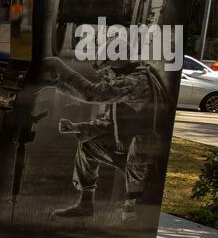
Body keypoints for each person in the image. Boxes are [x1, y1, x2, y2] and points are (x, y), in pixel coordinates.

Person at [45, 54, 167, 223]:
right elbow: (109, 123)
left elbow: (92, 93)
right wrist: (77, 127)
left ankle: (133, 207)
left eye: (106, 71)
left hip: (146, 160)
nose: (105, 77)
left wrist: (59, 66)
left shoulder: (136, 82)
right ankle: (85, 204)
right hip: (128, 152)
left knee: (141, 143)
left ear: (116, 66)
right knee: (88, 144)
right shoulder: (129, 82)